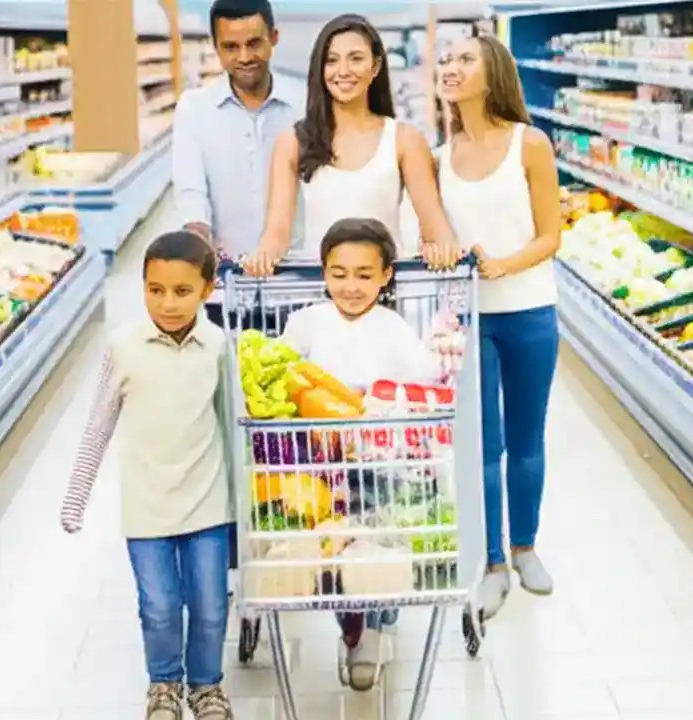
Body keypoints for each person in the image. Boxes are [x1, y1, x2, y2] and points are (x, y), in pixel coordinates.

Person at [60, 231, 236, 720]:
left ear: (207, 289)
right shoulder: (124, 347)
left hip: (207, 501)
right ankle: (164, 685)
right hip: (147, 505)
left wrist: (245, 503)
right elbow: (99, 423)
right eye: (155, 290)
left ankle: (206, 687)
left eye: (182, 291)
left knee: (210, 606)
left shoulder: (219, 346)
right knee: (158, 605)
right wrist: (75, 500)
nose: (168, 302)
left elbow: (229, 420)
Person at [279, 218, 440, 691]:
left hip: (377, 461)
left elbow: (423, 381)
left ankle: (372, 628)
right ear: (323, 273)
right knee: (334, 546)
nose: (351, 287)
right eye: (339, 273)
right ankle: (352, 622)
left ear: (387, 276)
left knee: (378, 541)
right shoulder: (305, 322)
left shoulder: (392, 328)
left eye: (365, 275)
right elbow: (285, 376)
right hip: (317, 464)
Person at [436, 36, 562, 619]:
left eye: (464, 59)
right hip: (470, 318)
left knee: (527, 437)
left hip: (531, 309)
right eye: (446, 61)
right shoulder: (442, 156)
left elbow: (550, 235)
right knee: (484, 442)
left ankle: (525, 547)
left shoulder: (529, 145)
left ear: (494, 72)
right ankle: (490, 562)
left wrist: (503, 264)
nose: (451, 68)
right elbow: (435, 234)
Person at [245, 13, 459, 276]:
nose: (343, 71)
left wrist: (442, 248)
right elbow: (276, 232)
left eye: (356, 59)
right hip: (317, 292)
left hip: (383, 293)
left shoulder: (404, 139)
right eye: (332, 61)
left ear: (376, 66)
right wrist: (263, 255)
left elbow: (434, 225)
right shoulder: (293, 141)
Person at [171, 0, 305, 323]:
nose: (244, 57)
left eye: (254, 43)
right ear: (215, 48)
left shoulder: (306, 102)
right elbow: (191, 193)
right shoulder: (194, 109)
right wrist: (199, 242)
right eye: (231, 46)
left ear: (274, 37)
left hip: (302, 284)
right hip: (227, 289)